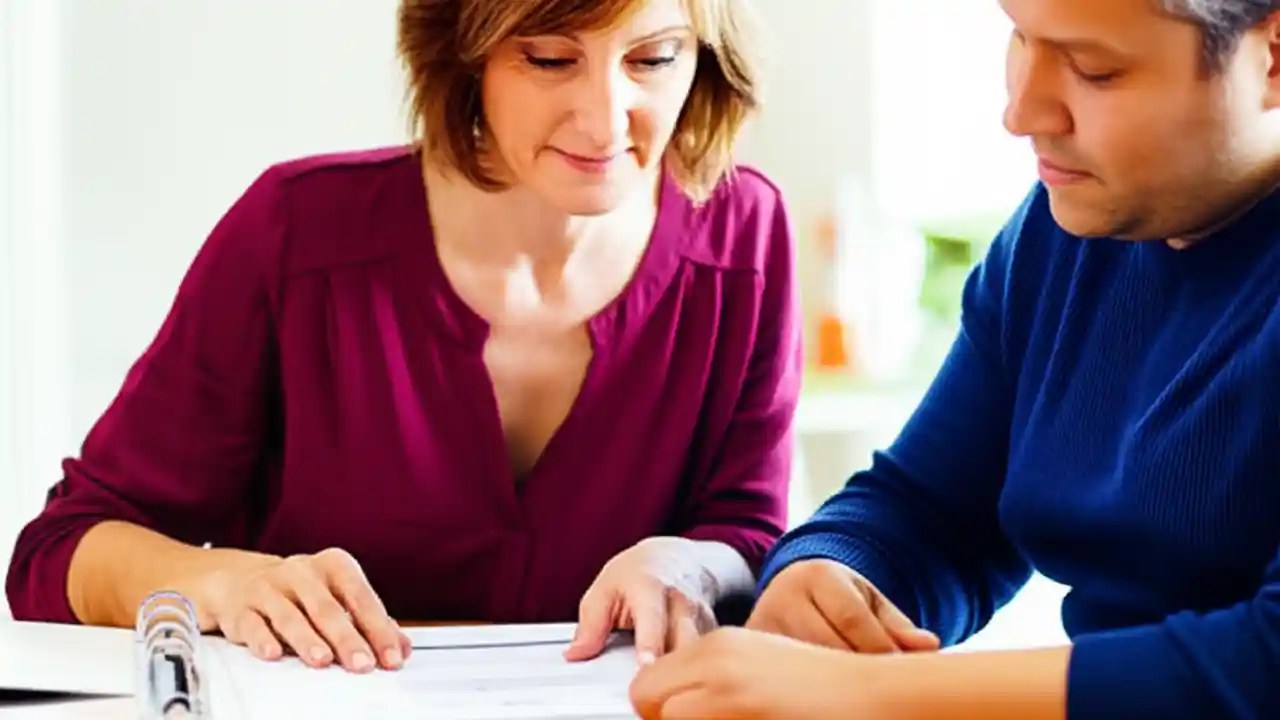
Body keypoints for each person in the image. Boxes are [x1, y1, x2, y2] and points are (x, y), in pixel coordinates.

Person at [5, 0, 801, 676]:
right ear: (467, 55)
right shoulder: (295, 235)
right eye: (551, 59)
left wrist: (691, 563)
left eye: (654, 59)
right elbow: (57, 553)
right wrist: (217, 581)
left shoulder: (746, 239)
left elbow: (748, 533)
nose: (603, 118)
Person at [630, 0, 1280, 718]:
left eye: (1095, 70)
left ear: (1272, 57)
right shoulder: (1060, 234)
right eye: (1019, 38)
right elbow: (929, 511)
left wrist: (867, 694)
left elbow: (1264, 664)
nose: (1022, 111)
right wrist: (829, 573)